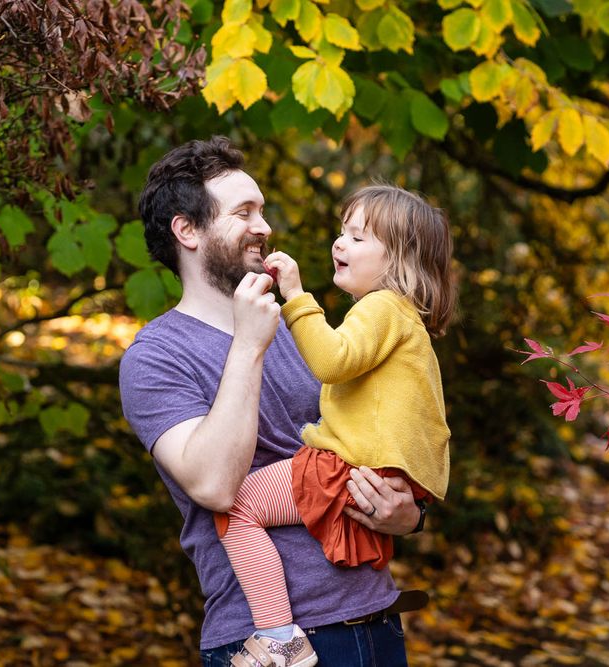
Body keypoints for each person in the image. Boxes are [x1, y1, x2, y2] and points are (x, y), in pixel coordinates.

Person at [119, 137, 424, 666]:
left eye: (262, 210)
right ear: (186, 230)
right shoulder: (155, 357)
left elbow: (372, 435)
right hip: (272, 645)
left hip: (375, 619)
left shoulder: (299, 328)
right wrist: (247, 345)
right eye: (244, 212)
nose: (263, 226)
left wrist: (409, 513)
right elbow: (215, 486)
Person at [216, 185, 454, 666]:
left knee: (234, 506)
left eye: (358, 236)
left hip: (346, 467)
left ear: (398, 260)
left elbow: (330, 360)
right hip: (370, 471)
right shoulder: (401, 317)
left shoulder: (382, 307)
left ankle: (280, 637)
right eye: (341, 232)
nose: (339, 243)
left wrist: (296, 296)